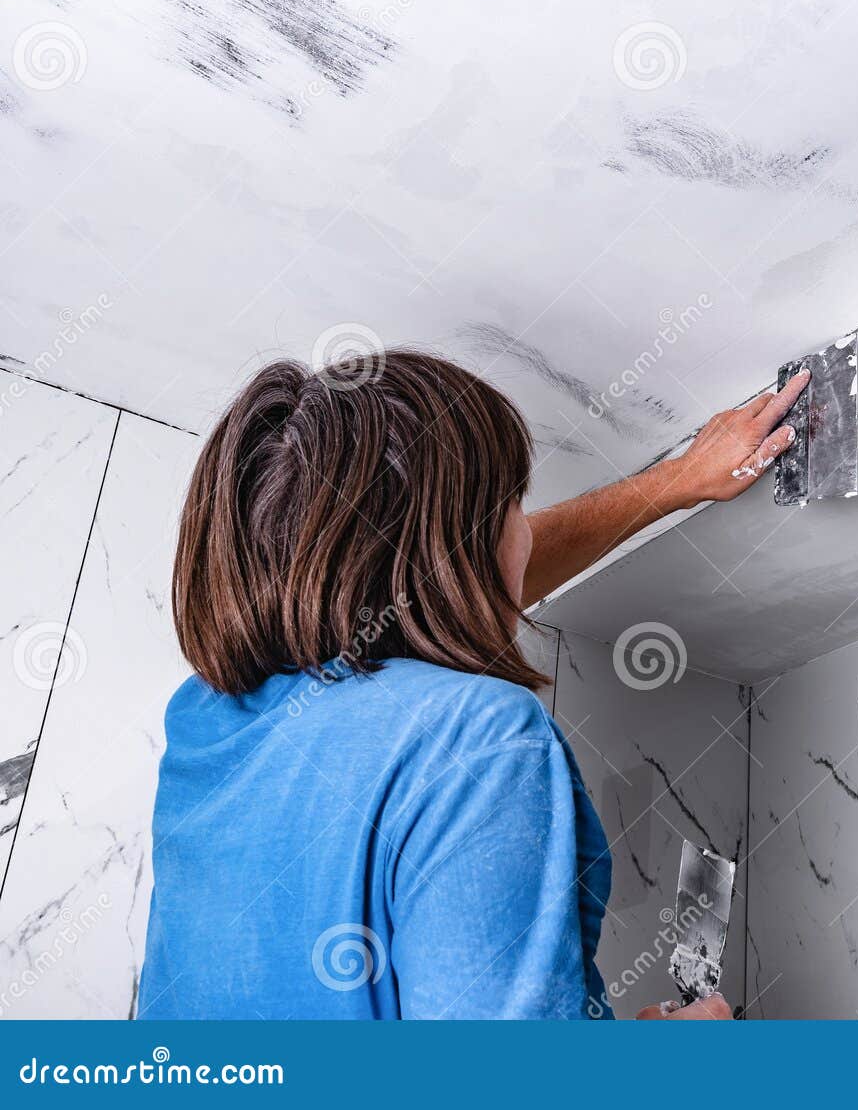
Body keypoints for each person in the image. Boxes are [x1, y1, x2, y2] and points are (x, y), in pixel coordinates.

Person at [137, 349, 808, 1019]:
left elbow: (437, 584)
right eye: (514, 505)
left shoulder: (205, 722)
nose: (524, 530)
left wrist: (680, 480)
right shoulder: (474, 738)